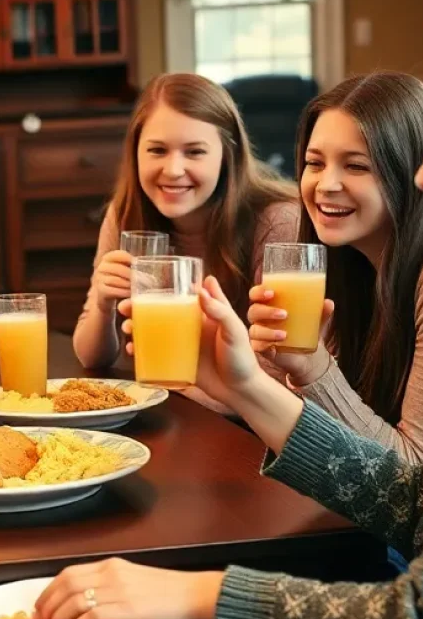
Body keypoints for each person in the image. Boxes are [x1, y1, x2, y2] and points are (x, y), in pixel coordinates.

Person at [39, 65, 423, 619]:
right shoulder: (359, 270)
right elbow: (419, 502)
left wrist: (202, 594)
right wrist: (242, 387)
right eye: (317, 161)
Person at [248, 72, 423, 463]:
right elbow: (309, 435)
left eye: (355, 166)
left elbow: (416, 474)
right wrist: (253, 370)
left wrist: (314, 370)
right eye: (314, 163)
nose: (325, 185)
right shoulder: (338, 262)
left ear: (410, 171)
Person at [72, 73, 297, 407]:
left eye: (194, 152)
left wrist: (165, 387)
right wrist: (103, 305)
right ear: (136, 153)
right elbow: (91, 358)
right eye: (157, 150)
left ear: (227, 156)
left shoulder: (278, 221)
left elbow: (277, 377)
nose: (174, 169)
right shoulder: (125, 216)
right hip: (169, 410)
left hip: (250, 427)